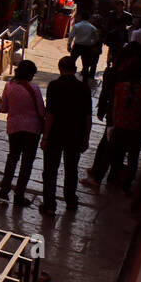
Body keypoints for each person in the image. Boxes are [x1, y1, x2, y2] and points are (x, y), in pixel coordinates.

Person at [82, 43, 141, 192]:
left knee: (109, 146)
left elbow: (111, 99)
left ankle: (99, 175)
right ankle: (115, 176)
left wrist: (104, 111)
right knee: (119, 150)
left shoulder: (117, 79)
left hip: (118, 119)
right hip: (132, 123)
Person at [40, 55, 92, 214]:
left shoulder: (54, 86)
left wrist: (45, 136)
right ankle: (70, 201)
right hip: (75, 135)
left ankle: (49, 205)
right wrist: (86, 138)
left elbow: (50, 114)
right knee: (71, 169)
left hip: (55, 134)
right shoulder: (84, 88)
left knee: (50, 170)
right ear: (75, 70)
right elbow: (88, 117)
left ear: (60, 69)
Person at [0, 60, 45, 205]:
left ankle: (4, 190)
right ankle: (19, 195)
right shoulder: (34, 88)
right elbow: (41, 111)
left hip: (14, 127)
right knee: (27, 163)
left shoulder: (9, 86)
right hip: (32, 129)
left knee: (12, 158)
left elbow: (3, 109)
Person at [106, 58, 141, 196]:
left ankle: (113, 177)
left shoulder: (120, 88)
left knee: (117, 155)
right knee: (133, 158)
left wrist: (115, 123)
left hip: (120, 126)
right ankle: (127, 185)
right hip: (136, 128)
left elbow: (115, 108)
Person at [67, 10, 103, 81]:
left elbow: (71, 36)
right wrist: (90, 43)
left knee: (72, 62)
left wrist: (69, 45)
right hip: (87, 48)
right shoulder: (92, 28)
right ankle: (85, 81)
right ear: (89, 18)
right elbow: (96, 39)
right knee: (86, 65)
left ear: (81, 17)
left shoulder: (77, 26)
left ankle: (69, 76)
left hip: (77, 46)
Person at [102, 0, 133, 71]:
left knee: (120, 51)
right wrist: (106, 35)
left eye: (122, 6)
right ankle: (109, 63)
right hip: (112, 35)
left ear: (124, 6)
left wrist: (126, 28)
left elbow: (131, 25)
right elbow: (108, 25)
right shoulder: (111, 14)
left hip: (122, 36)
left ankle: (116, 64)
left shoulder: (128, 15)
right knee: (111, 50)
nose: (120, 7)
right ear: (116, 6)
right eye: (119, 5)